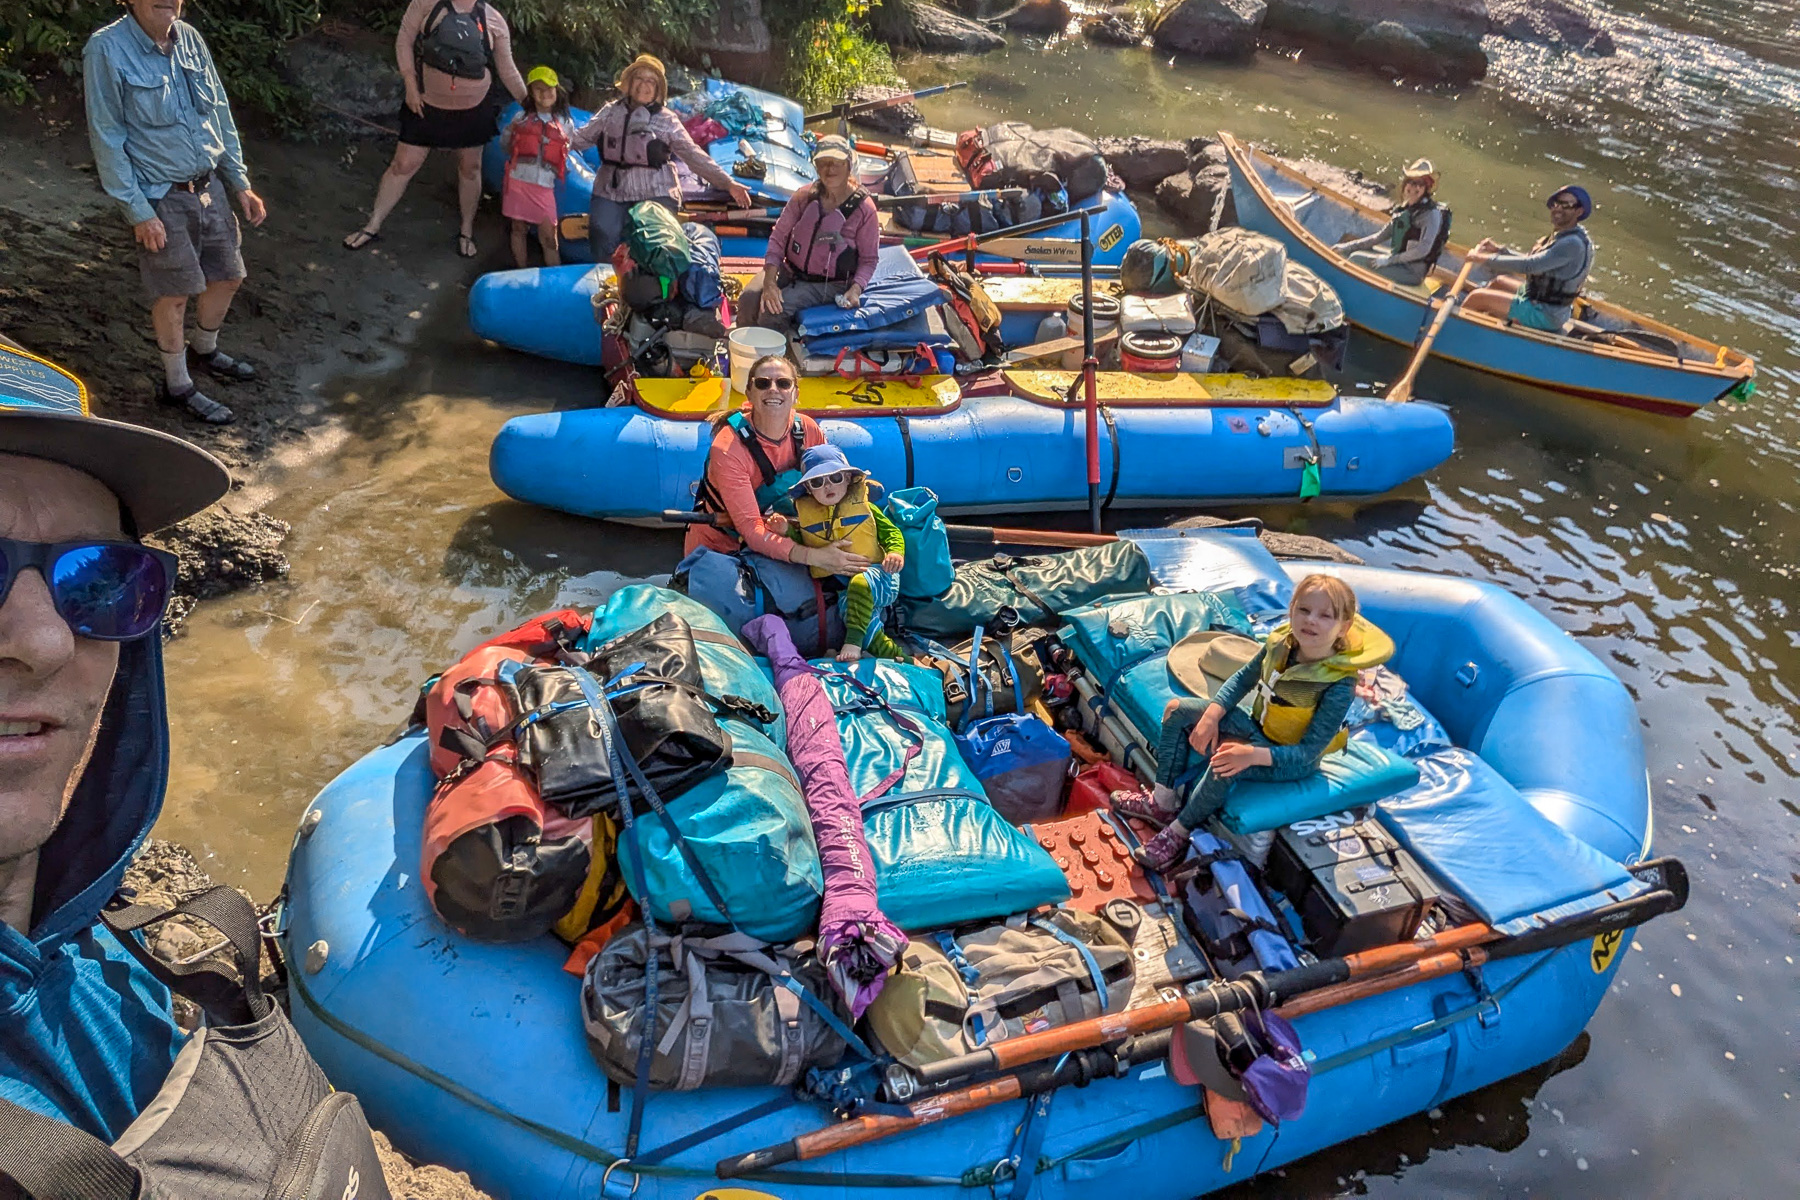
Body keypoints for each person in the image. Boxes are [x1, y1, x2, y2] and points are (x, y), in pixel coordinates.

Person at [1113, 575, 1393, 870]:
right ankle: (1162, 804)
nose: (1311, 620)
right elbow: (1244, 678)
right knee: (1176, 710)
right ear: (1292, 609)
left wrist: (1250, 755)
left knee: (1226, 761)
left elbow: (1308, 752)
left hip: (1291, 758)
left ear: (1344, 627)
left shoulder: (1339, 684)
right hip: (1257, 725)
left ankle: (1179, 832)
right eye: (1304, 609)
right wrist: (1212, 714)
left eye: (1325, 615)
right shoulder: (1281, 644)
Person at [83, 0, 269, 426]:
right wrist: (138, 212)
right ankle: (177, 385)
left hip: (208, 184)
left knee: (228, 276)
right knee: (175, 292)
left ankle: (204, 350)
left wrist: (240, 182)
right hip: (159, 194)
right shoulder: (105, 49)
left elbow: (219, 113)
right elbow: (106, 136)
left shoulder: (190, 39)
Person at [342, 0, 528, 258]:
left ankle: (466, 231)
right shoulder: (425, 4)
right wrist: (410, 85)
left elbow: (508, 70)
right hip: (424, 103)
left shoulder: (494, 20)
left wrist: (534, 107)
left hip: (474, 108)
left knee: (470, 168)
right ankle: (372, 225)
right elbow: (404, 40)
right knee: (402, 165)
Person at [568, 54, 752, 263]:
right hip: (611, 189)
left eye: (651, 81)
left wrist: (727, 183)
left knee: (653, 239)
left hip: (655, 191)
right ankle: (608, 273)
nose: (643, 85)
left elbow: (692, 154)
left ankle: (650, 276)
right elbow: (581, 138)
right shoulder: (610, 112)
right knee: (602, 230)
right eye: (639, 78)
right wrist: (553, 139)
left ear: (658, 90)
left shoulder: (666, 120)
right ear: (629, 83)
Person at [769, 444, 906, 662]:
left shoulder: (866, 508)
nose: (828, 486)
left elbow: (891, 533)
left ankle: (852, 644)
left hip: (879, 577)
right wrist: (786, 531)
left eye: (835, 478)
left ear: (848, 479)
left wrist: (895, 553)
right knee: (869, 634)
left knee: (860, 583)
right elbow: (806, 542)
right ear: (809, 489)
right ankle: (907, 661)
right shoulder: (810, 517)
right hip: (845, 589)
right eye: (817, 482)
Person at [737, 134, 881, 336]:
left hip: (829, 284)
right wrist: (769, 282)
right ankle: (743, 349)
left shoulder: (865, 210)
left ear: (848, 165)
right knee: (748, 299)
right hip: (791, 271)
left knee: (772, 312)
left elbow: (869, 260)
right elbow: (778, 237)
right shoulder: (803, 196)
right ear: (816, 166)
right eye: (823, 163)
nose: (829, 169)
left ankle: (772, 352)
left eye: (836, 163)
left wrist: (856, 289)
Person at [1461, 185, 1597, 332]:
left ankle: (1457, 331)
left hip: (1546, 313)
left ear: (1579, 211)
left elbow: (1530, 265)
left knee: (1477, 298)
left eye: (1566, 205)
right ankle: (1491, 325)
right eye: (1557, 203)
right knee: (1498, 283)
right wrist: (1500, 251)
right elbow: (1533, 259)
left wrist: (1483, 258)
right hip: (1538, 298)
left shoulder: (1572, 244)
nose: (1558, 209)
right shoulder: (1564, 235)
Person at [500, 65, 574, 268]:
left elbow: (566, 151)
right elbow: (505, 147)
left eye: (549, 88)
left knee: (549, 237)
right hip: (518, 182)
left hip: (543, 186)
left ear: (557, 90)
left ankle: (554, 275)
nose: (544, 93)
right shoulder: (520, 118)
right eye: (538, 89)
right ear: (531, 92)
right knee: (518, 229)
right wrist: (511, 132)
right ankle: (521, 269)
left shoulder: (566, 123)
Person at [1334, 158, 1450, 288]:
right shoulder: (1405, 210)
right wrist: (1347, 247)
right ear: (1405, 184)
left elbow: (1422, 250)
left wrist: (1389, 260)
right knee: (1349, 248)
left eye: (1420, 184)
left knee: (1356, 258)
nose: (1414, 187)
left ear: (1426, 189)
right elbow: (1378, 237)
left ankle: (1345, 287)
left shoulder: (1431, 214)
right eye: (1411, 182)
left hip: (1411, 272)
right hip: (1398, 261)